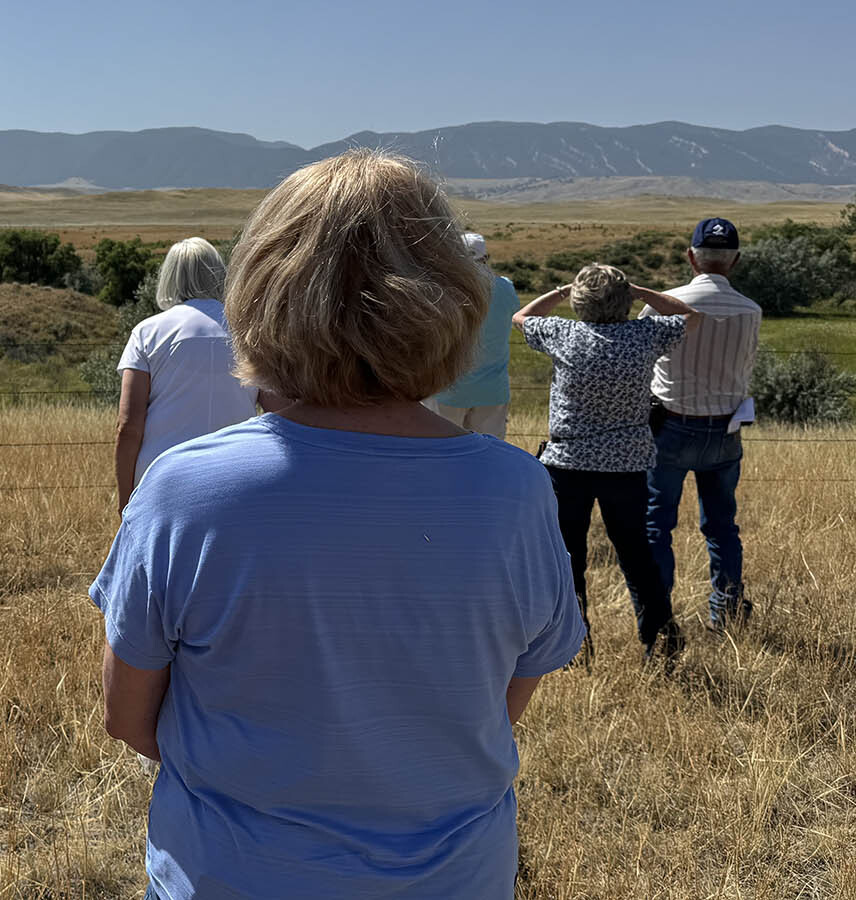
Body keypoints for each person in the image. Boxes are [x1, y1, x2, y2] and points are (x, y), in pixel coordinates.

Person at [92, 150, 585, 899]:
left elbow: (130, 720)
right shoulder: (515, 488)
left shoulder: (185, 492)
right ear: (452, 302)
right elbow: (504, 704)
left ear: (262, 297)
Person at [515, 263, 698, 663]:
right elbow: (689, 316)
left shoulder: (563, 334)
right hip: (627, 466)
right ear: (626, 301)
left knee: (567, 557)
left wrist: (562, 290)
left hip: (567, 462)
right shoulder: (645, 335)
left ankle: (573, 644)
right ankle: (660, 638)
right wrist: (640, 290)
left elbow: (522, 318)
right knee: (635, 554)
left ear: (580, 303)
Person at [645, 218, 761, 634]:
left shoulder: (662, 303)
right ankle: (726, 611)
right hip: (726, 428)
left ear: (691, 256)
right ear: (735, 262)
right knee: (722, 525)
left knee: (657, 525)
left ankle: (658, 619)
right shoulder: (751, 310)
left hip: (670, 425)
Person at [113, 237, 258, 513]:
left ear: (169, 277)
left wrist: (125, 501)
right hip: (236, 473)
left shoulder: (147, 332)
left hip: (162, 478)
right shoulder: (247, 331)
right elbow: (279, 408)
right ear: (218, 275)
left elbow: (128, 425)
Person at [424, 231, 519, 438]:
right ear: (486, 258)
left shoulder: (444, 288)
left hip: (448, 388)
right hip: (492, 390)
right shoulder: (505, 288)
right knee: (490, 454)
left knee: (444, 452)